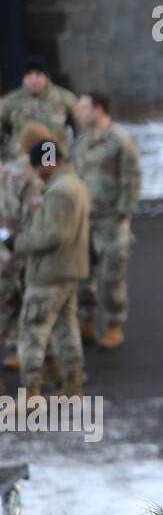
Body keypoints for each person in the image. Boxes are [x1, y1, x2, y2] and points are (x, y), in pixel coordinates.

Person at [8, 139, 90, 399]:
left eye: (36, 166)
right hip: (67, 271)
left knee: (32, 332)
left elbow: (53, 236)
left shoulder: (60, 192)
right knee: (66, 330)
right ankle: (71, 387)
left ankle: (30, 394)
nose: (34, 172)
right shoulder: (72, 184)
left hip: (49, 274)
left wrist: (16, 242)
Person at [71, 92, 141, 350]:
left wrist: (122, 213)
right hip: (83, 218)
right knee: (82, 276)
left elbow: (131, 178)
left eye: (83, 106)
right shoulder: (82, 139)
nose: (78, 111)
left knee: (111, 277)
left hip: (110, 219)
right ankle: (85, 321)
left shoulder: (120, 140)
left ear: (98, 109)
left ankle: (113, 324)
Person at [0, 123, 55, 372]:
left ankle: (12, 348)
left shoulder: (6, 170)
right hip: (24, 244)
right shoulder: (35, 177)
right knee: (27, 301)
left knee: (6, 300)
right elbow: (36, 214)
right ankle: (24, 353)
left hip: (4, 241)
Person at [0, 58, 78, 161]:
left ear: (46, 76)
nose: (33, 80)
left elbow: (82, 126)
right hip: (21, 161)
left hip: (54, 160)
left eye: (38, 74)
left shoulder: (64, 98)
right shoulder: (10, 102)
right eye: (29, 75)